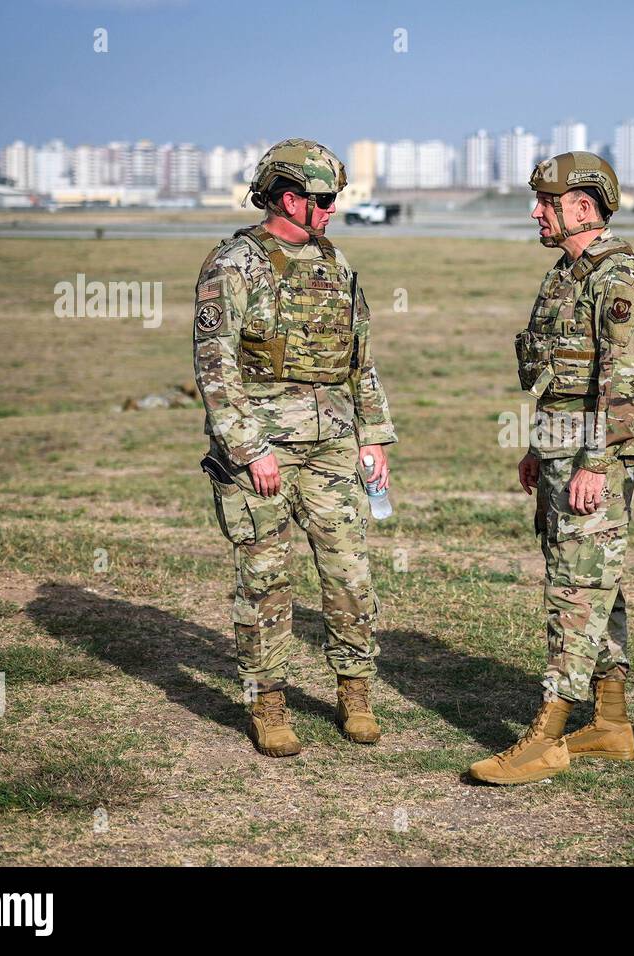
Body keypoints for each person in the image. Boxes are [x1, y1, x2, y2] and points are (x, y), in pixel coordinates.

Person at [193, 138, 396, 756]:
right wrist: (250, 449)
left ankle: (355, 692)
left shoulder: (333, 263)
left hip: (332, 445)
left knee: (350, 572)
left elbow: (359, 359)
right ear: (290, 198)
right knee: (266, 579)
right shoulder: (234, 265)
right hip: (264, 453)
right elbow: (214, 366)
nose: (332, 210)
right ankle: (269, 703)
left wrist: (375, 436)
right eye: (324, 199)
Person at [468, 151, 634, 785]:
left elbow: (624, 382)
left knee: (575, 590)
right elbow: (563, 378)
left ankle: (547, 735)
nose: (535, 213)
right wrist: (539, 445)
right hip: (563, 448)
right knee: (587, 577)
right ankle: (610, 724)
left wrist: (596, 461)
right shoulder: (566, 273)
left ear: (581, 207)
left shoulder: (618, 277)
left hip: (591, 457)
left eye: (545, 204)